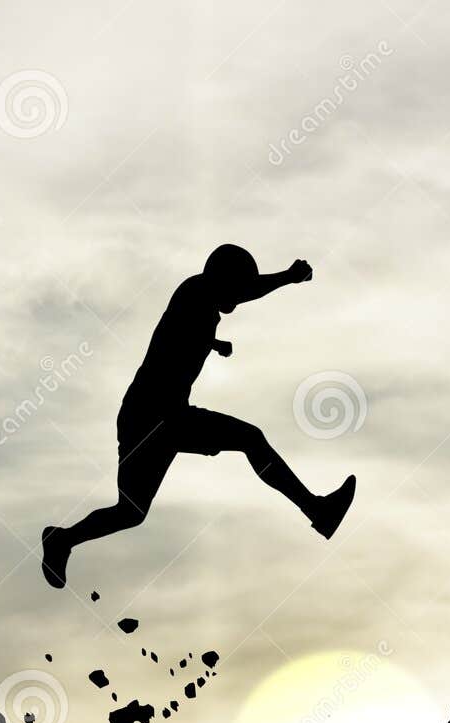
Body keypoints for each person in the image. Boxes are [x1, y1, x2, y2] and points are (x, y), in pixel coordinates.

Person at [41, 244, 356, 588]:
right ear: (225, 279)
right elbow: (240, 293)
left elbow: (179, 337)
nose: (238, 297)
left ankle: (62, 539)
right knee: (250, 439)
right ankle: (317, 510)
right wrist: (287, 277)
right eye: (238, 285)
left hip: (146, 418)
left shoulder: (201, 306)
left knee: (131, 512)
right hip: (158, 417)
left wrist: (214, 343)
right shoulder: (196, 290)